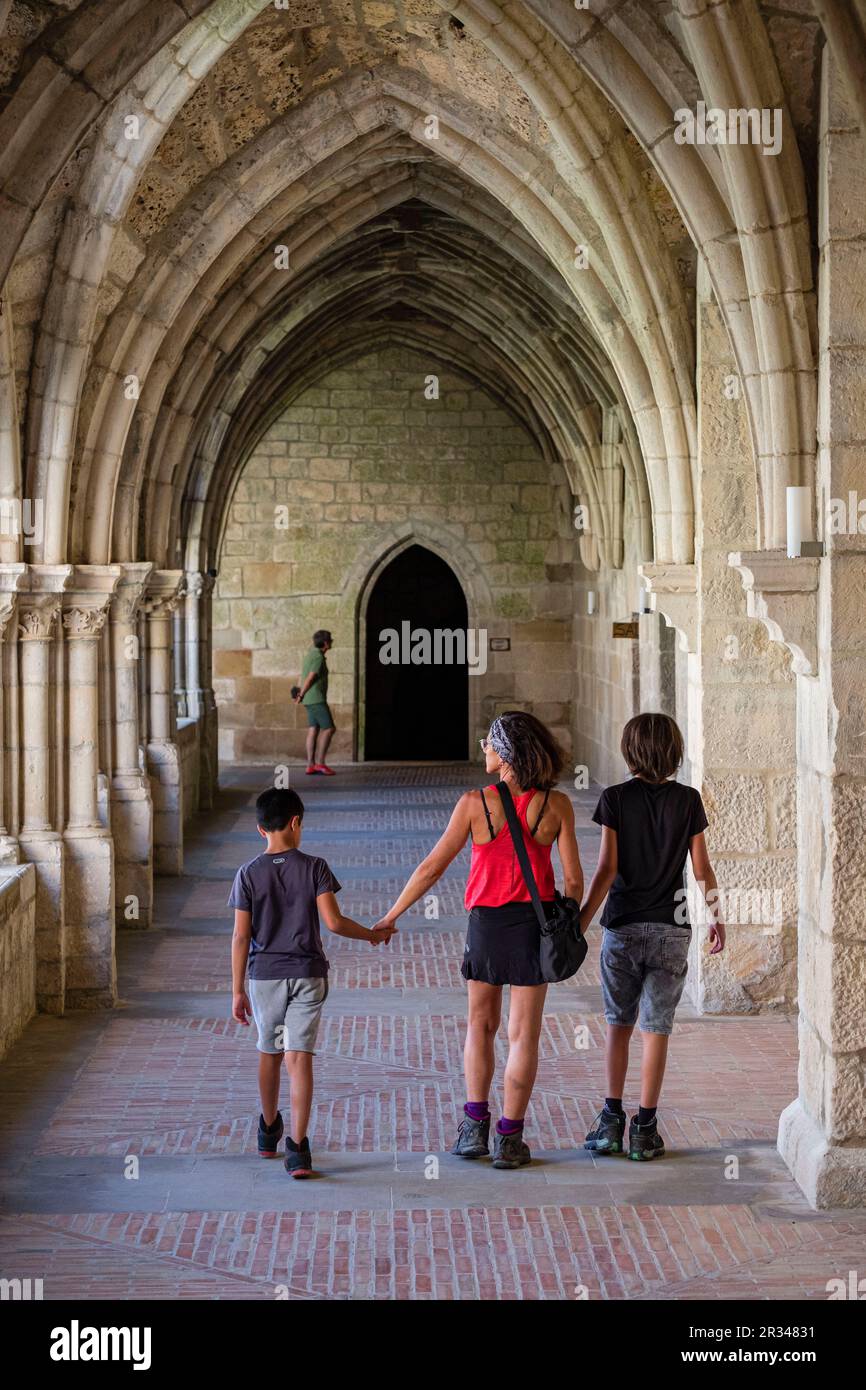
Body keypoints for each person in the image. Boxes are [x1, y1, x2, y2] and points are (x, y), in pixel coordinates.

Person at [373, 711, 584, 1170]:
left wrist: (392, 915)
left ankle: (474, 1128)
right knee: (524, 1033)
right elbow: (573, 881)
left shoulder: (474, 803)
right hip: (535, 926)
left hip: (486, 928)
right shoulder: (557, 805)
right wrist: (569, 930)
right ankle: (510, 1139)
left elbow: (432, 866)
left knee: (480, 1027)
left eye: (488, 741)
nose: (483, 748)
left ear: (505, 751)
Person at [580, 712, 725, 1161]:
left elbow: (605, 869)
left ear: (630, 751)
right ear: (675, 751)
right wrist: (719, 916)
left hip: (622, 926)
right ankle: (645, 1128)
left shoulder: (616, 799)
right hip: (672, 930)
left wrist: (582, 921)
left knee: (618, 1026)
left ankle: (609, 1122)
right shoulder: (688, 800)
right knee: (656, 1029)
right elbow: (700, 868)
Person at [229, 787, 395, 1177]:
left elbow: (240, 936)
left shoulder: (248, 873)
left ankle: (268, 1128)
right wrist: (373, 934)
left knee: (269, 1051)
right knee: (299, 1056)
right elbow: (334, 923)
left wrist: (237, 990)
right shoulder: (315, 867)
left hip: (264, 976)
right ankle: (298, 1149)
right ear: (296, 823)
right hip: (308, 973)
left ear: (260, 830)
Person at [293, 629, 336, 775]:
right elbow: (310, 677)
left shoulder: (310, 654)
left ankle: (310, 765)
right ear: (325, 643)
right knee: (329, 729)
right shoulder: (318, 657)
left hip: (309, 700)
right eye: (330, 640)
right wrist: (301, 694)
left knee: (313, 729)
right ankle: (320, 763)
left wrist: (299, 693)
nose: (331, 642)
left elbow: (302, 675)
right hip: (316, 698)